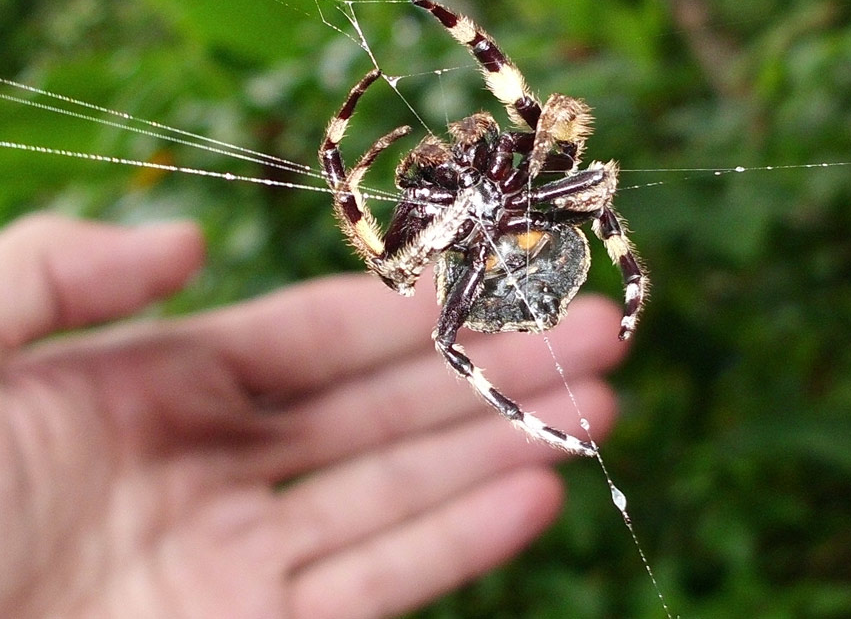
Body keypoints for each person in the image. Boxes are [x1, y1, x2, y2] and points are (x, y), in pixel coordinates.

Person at [0, 213, 627, 618]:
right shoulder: (438, 227)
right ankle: (530, 419)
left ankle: (598, 336)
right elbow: (390, 258)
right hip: (501, 272)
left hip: (537, 254)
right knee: (444, 337)